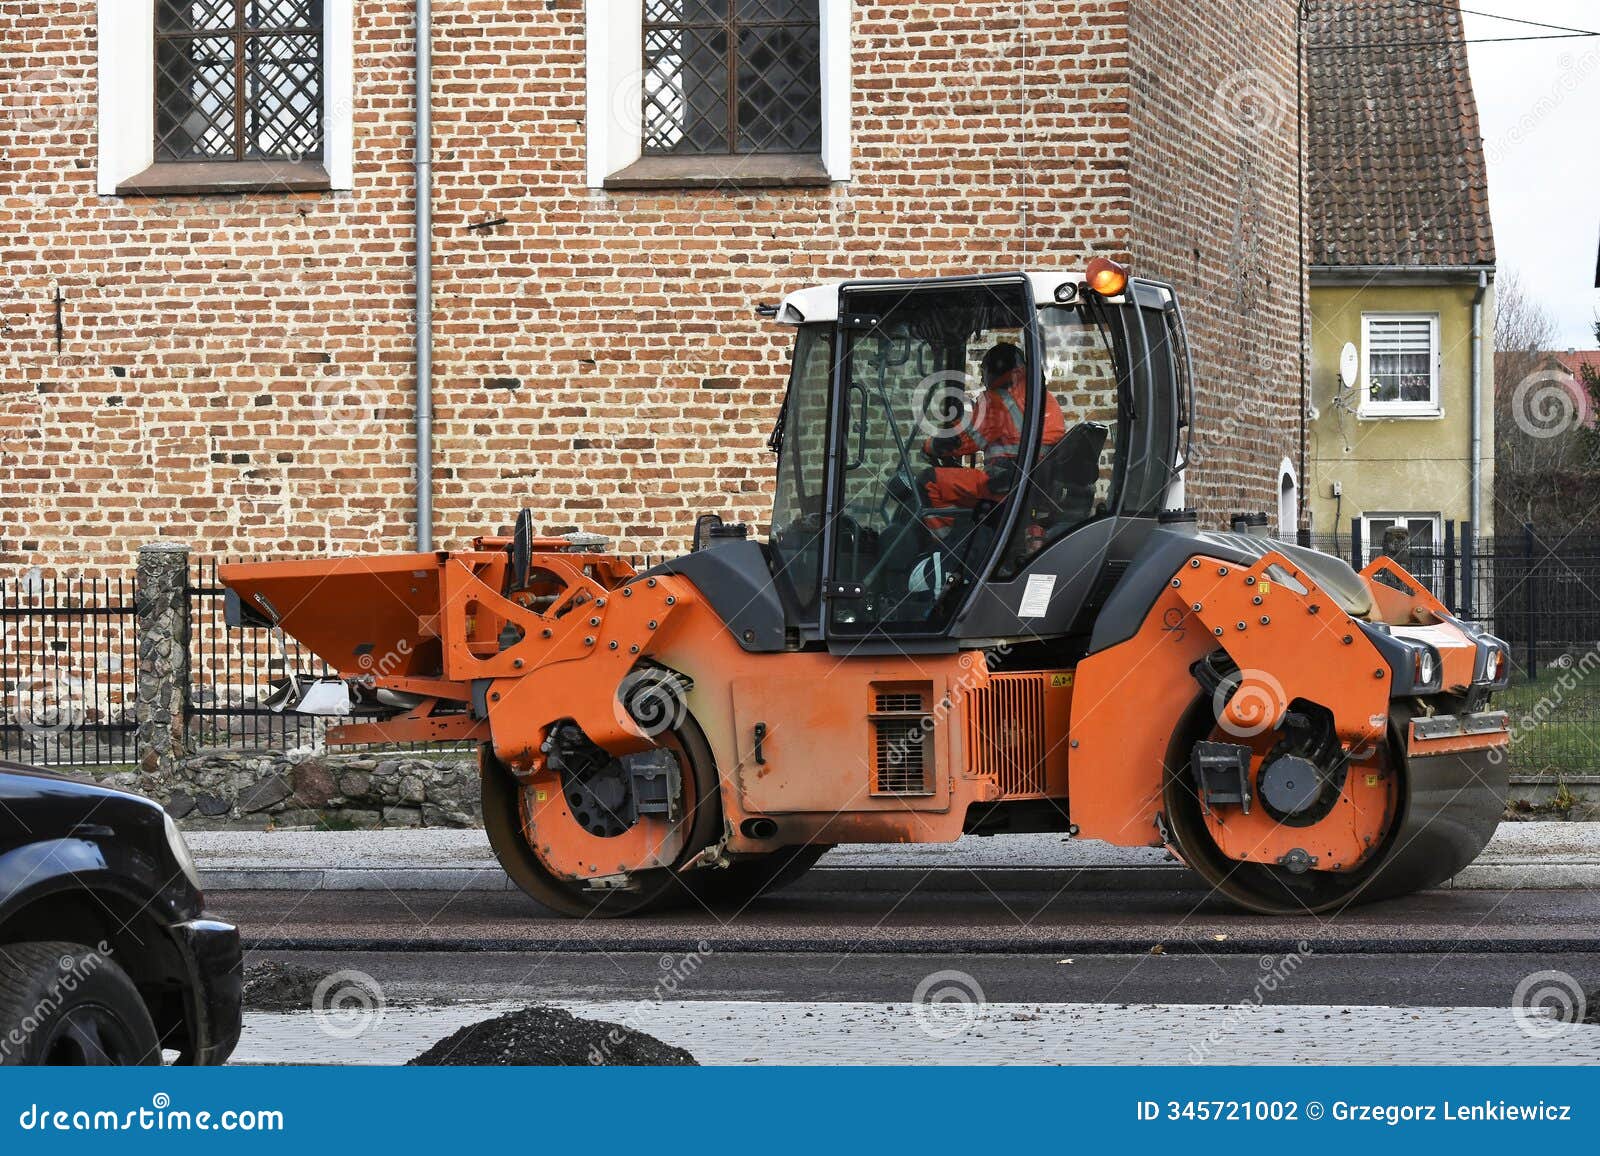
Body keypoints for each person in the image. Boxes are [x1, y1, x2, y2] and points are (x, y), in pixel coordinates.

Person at [921, 341, 1065, 511]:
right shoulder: (1045, 398)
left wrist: (930, 445)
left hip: (1006, 486)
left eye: (984, 372)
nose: (982, 379)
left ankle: (947, 538)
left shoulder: (996, 400)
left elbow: (960, 440)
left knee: (929, 481)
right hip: (1033, 486)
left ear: (996, 370)